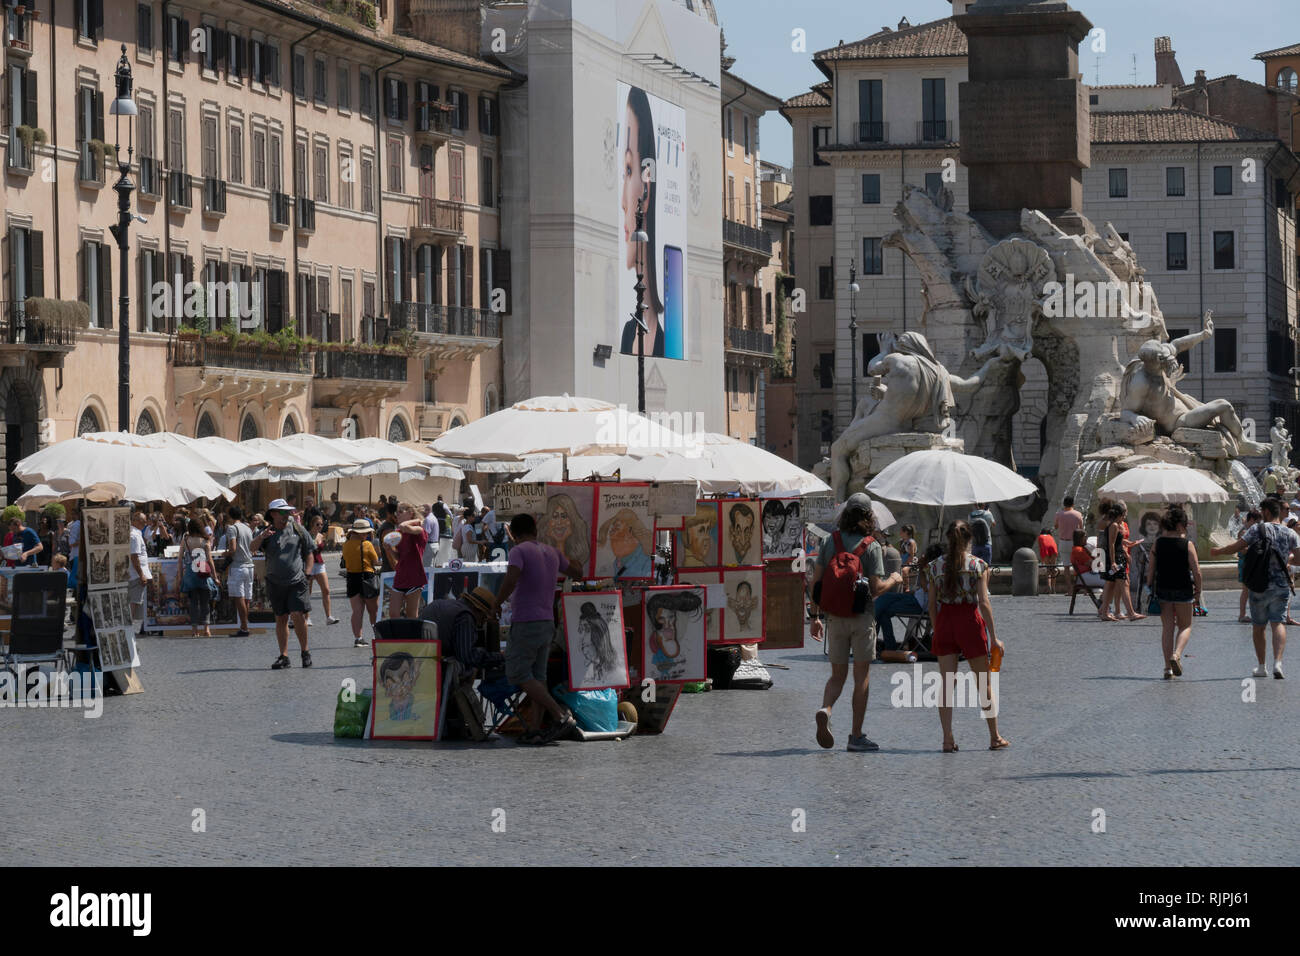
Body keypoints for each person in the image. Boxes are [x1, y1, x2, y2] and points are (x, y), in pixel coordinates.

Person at [807, 493, 900, 753]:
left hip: (835, 617)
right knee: (861, 677)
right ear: (870, 516)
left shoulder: (829, 541)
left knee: (837, 676)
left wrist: (815, 617)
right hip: (862, 617)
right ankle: (856, 736)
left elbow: (815, 583)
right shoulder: (871, 546)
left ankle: (826, 709)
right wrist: (895, 579)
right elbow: (876, 588)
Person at [492, 512, 586, 745]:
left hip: (526, 621)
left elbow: (512, 578)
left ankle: (560, 715)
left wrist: (495, 603)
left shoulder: (518, 551)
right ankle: (534, 729)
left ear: (513, 533)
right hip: (547, 622)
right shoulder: (552, 552)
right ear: (535, 530)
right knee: (538, 676)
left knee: (517, 673)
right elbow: (578, 571)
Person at [927, 519, 1008, 752]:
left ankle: (947, 739)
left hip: (945, 622)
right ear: (969, 540)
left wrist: (937, 627)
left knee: (946, 683)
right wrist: (994, 636)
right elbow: (983, 602)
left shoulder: (934, 567)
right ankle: (994, 736)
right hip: (969, 621)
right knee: (983, 682)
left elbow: (931, 605)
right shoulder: (978, 565)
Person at [1211, 497, 1300, 679]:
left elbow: (1237, 546)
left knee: (1259, 627)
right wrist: (1287, 560)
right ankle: (1278, 663)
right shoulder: (1290, 533)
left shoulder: (1257, 529)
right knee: (1278, 623)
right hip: (1281, 585)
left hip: (1259, 585)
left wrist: (1218, 551)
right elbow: (1299, 559)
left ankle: (1261, 667)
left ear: (1266, 512)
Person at [618, 85, 667, 358]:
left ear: (646, 183)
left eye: (628, 170)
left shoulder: (667, 338)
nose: (623, 200)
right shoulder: (626, 332)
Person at [253, 498, 315, 670]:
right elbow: (251, 548)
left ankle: (305, 652)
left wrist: (308, 573)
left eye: (288, 511)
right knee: (281, 618)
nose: (286, 515)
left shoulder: (297, 529)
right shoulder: (266, 532)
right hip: (275, 582)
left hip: (296, 580)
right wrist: (261, 537)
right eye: (282, 512)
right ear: (272, 514)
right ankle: (284, 656)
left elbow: (310, 551)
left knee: (297, 614)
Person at [1145, 505, 1201, 679]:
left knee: (1167, 628)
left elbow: (1151, 569)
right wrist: (1198, 590)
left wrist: (1149, 588)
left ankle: (1167, 669)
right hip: (1183, 589)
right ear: (1180, 526)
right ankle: (1176, 655)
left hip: (1163, 589)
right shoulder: (1187, 544)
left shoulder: (1158, 542)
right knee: (1185, 625)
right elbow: (1196, 571)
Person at [874, 543, 944, 664]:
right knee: (883, 601)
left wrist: (922, 569)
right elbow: (924, 588)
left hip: (920, 605)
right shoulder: (937, 568)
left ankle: (872, 640)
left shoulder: (934, 569)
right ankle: (880, 643)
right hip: (916, 599)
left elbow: (927, 588)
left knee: (882, 605)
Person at [419, 586, 503, 671]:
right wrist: (500, 657)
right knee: (472, 668)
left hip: (419, 660)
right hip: (441, 666)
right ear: (477, 609)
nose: (481, 623)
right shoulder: (465, 616)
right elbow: (468, 656)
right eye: (483, 618)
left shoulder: (437, 603)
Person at [174, 517, 215, 638]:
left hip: (190, 573)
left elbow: (180, 559)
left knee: (193, 602)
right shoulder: (205, 541)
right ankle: (206, 628)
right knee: (205, 602)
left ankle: (194, 629)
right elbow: (210, 560)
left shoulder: (185, 540)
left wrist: (180, 576)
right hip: (203, 572)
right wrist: (215, 575)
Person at [342, 520, 380, 647]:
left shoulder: (346, 545)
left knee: (357, 611)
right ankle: (377, 635)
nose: (368, 534)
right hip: (367, 577)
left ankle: (358, 638)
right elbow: (375, 561)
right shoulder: (367, 544)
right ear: (362, 533)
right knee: (373, 610)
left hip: (352, 578)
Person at [388, 502, 429, 620]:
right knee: (393, 613)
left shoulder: (418, 529)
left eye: (400, 512)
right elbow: (399, 557)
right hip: (400, 576)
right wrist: (390, 550)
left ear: (410, 513)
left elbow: (404, 526)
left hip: (414, 577)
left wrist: (416, 521)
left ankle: (411, 637)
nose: (397, 515)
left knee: (411, 615)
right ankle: (398, 637)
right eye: (397, 512)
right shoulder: (400, 533)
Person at [224, 506, 254, 637]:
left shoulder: (232, 528)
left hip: (238, 566)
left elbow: (233, 548)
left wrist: (226, 553)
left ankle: (244, 627)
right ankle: (244, 625)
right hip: (250, 565)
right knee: (246, 598)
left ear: (230, 516)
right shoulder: (247, 528)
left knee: (239, 597)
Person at [305, 515, 339, 627]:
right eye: (317, 524)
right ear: (312, 524)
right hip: (309, 564)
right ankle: (307, 618)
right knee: (307, 593)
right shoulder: (306, 535)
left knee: (326, 590)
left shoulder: (321, 536)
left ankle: (328, 616)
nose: (320, 526)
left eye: (321, 524)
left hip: (319, 564)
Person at [127, 511, 152, 631]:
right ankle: (129, 629)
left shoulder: (136, 534)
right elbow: (134, 556)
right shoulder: (134, 535)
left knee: (135, 602)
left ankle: (129, 628)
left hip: (135, 573)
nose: (145, 524)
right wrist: (141, 574)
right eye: (143, 522)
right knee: (133, 602)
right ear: (135, 521)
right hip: (135, 575)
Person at [1053, 495, 1084, 562]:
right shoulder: (1078, 514)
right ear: (1073, 504)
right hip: (1074, 542)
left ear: (1064, 504)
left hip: (1063, 542)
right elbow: (1081, 529)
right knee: (1075, 565)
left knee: (1066, 566)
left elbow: (1055, 527)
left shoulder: (1058, 514)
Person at [1037, 528, 1060, 593]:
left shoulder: (1040, 537)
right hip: (1053, 549)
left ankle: (1049, 588)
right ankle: (1054, 589)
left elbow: (1041, 548)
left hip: (1045, 549)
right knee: (1053, 568)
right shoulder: (1051, 537)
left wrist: (1042, 560)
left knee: (1048, 569)